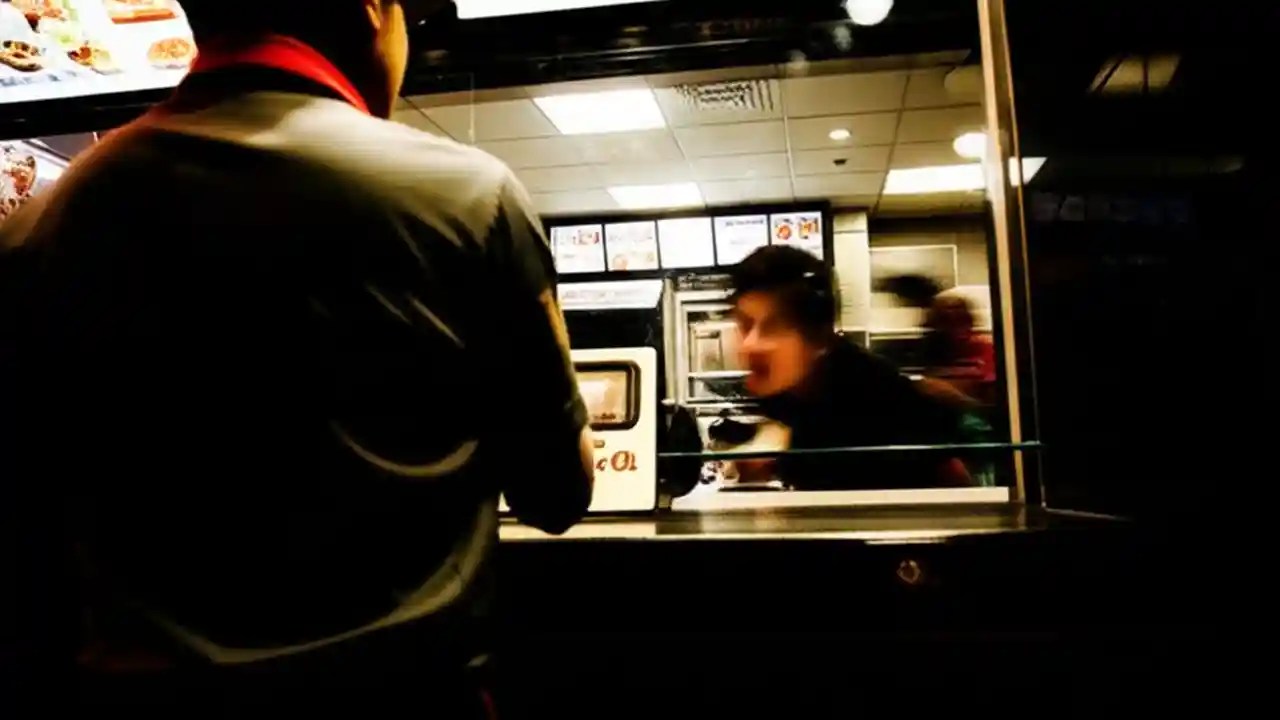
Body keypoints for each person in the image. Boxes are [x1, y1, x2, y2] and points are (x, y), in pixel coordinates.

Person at [0, 0, 593, 716]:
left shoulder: (45, 223)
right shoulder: (469, 196)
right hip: (400, 704)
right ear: (373, 12)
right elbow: (557, 494)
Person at [730, 246, 971, 490]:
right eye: (745, 324)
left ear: (819, 336)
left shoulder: (875, 395)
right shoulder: (785, 393)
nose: (749, 344)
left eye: (773, 326)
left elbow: (953, 478)